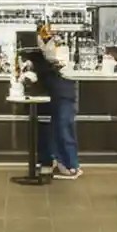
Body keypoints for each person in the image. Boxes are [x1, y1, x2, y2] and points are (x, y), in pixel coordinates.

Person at [34, 22, 81, 179]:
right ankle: (61, 162)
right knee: (58, 128)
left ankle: (71, 166)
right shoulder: (52, 48)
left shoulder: (60, 48)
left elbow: (60, 65)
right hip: (60, 92)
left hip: (65, 92)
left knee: (64, 128)